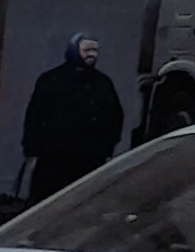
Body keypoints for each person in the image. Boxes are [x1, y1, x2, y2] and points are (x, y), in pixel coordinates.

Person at [18, 34, 124, 203]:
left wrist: (106, 146)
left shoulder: (102, 83)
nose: (92, 55)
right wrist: (32, 147)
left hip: (89, 157)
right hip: (55, 157)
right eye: (87, 50)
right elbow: (35, 115)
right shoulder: (52, 80)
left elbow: (114, 116)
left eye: (95, 50)